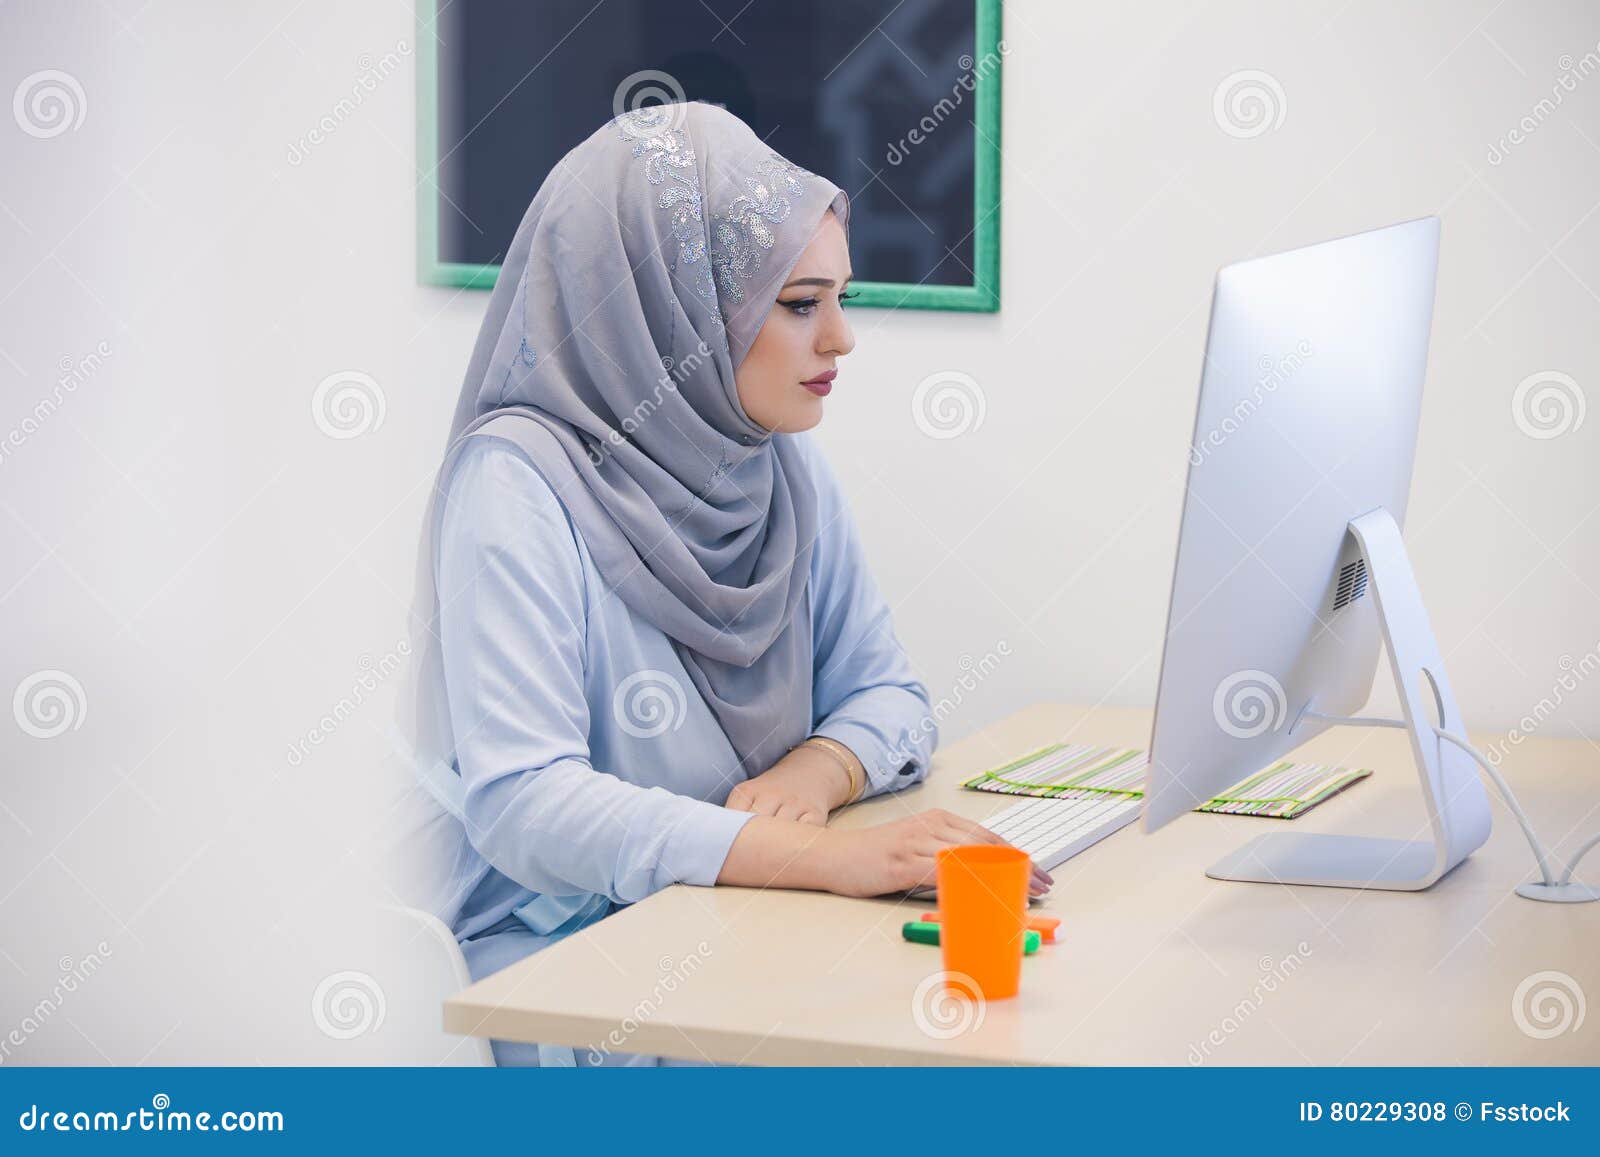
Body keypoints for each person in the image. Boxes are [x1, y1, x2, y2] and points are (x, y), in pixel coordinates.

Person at [400, 101, 1049, 1066]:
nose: (841, 341)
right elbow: (526, 801)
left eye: (842, 298)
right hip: (566, 978)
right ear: (674, 306)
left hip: (737, 932)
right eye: (799, 305)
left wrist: (818, 770)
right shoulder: (517, 484)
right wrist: (822, 858)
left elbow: (888, 694)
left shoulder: (777, 464)